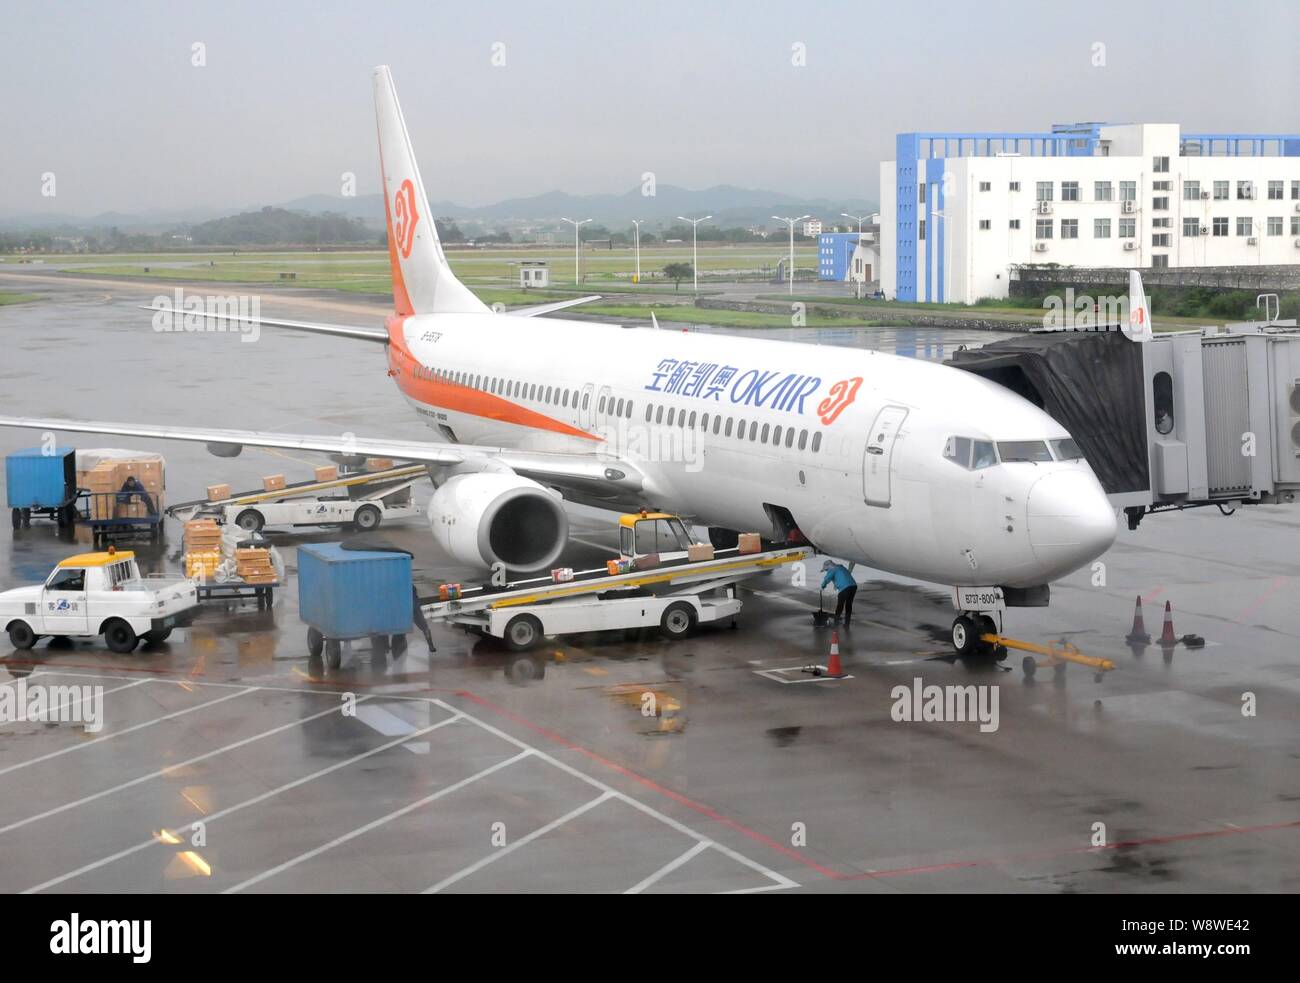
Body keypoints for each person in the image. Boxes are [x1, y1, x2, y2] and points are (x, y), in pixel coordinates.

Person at [820, 559, 857, 626]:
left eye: (826, 570)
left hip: (845, 588)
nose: (826, 571)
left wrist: (823, 585)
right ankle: (847, 622)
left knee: (840, 605)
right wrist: (836, 585)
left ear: (828, 567)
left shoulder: (832, 569)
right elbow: (843, 577)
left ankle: (836, 621)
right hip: (853, 586)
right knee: (848, 604)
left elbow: (827, 579)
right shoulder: (841, 567)